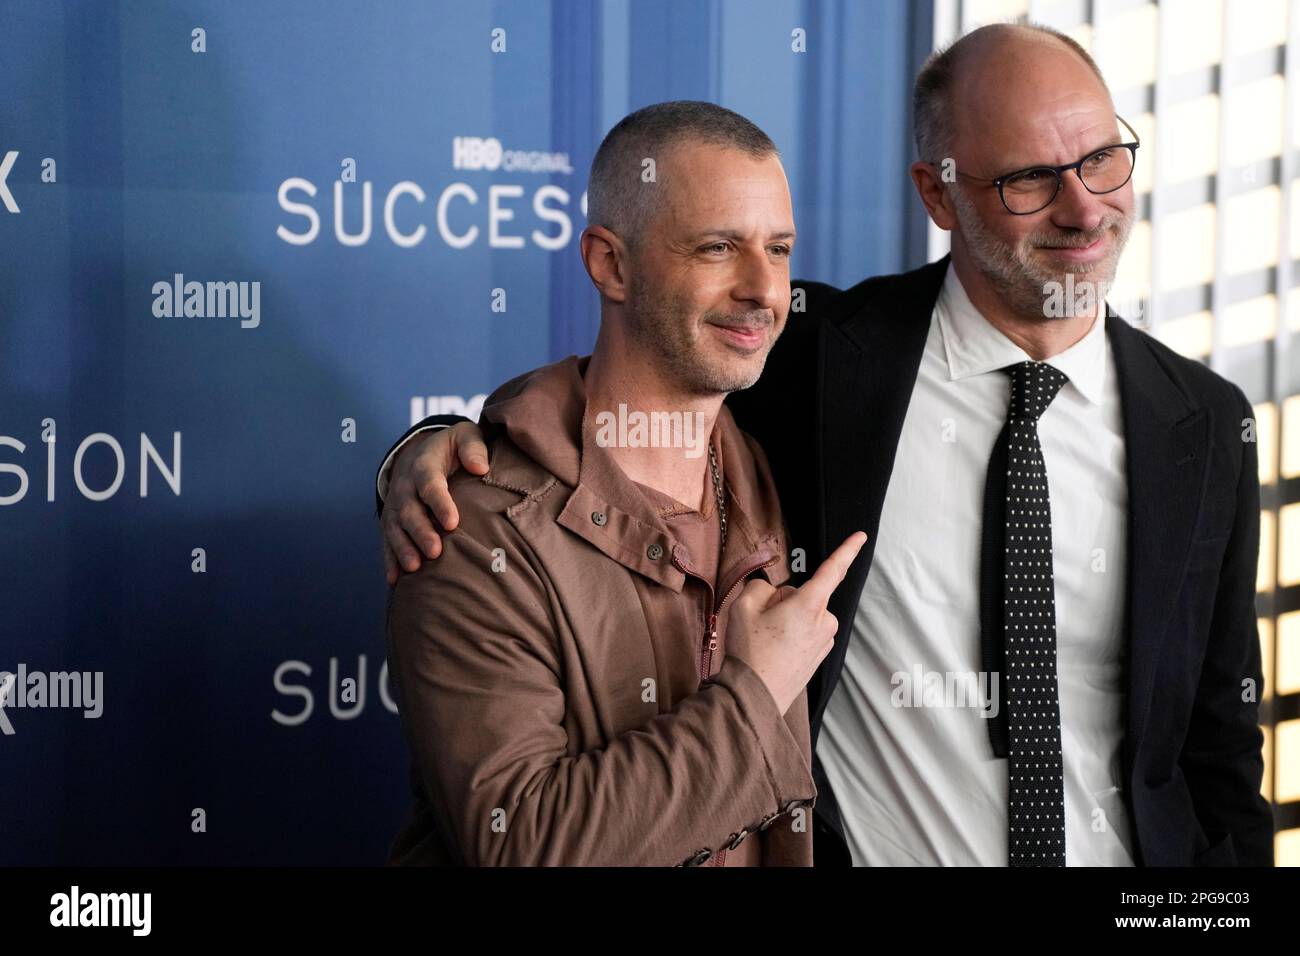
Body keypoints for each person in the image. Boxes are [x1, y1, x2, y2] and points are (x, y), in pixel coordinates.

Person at [378, 24, 1274, 866]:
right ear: (938, 193)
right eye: (1030, 179)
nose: (1085, 208)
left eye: (1103, 159)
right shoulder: (815, 359)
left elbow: (1218, 747)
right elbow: (637, 374)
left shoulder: (1203, 422)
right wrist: (433, 451)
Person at [382, 99, 866, 866]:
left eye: (778, 249)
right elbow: (526, 847)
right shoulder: (475, 527)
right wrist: (756, 691)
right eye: (717, 247)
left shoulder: (786, 456)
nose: (764, 290)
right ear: (610, 263)